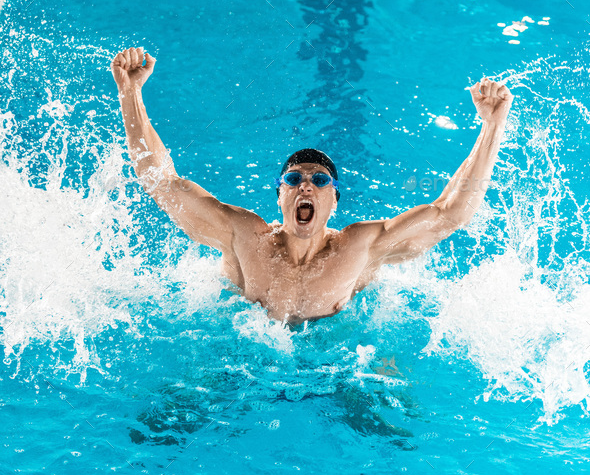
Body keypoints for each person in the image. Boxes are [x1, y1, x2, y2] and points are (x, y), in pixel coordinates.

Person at [111, 47, 513, 324]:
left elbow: (449, 214)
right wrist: (130, 91)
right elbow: (161, 182)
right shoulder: (243, 236)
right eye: (294, 179)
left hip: (337, 365)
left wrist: (493, 125)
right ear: (280, 196)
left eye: (319, 180)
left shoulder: (359, 248)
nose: (305, 186)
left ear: (334, 201)